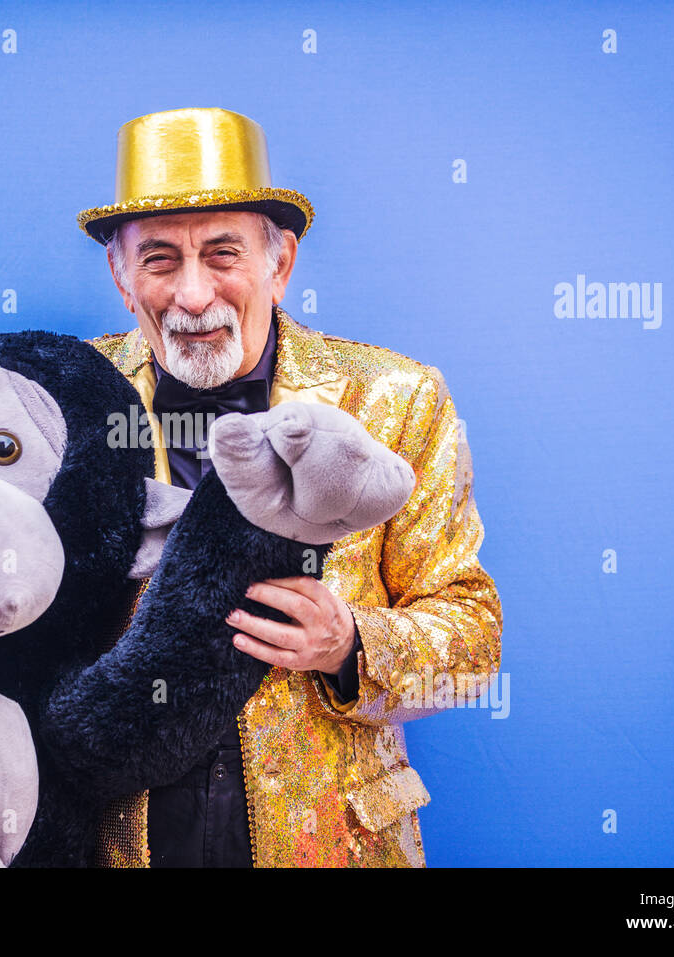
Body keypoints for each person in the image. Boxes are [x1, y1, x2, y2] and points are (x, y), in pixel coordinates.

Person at [80, 107, 503, 867]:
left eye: (222, 253)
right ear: (120, 276)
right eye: (160, 260)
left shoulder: (397, 399)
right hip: (118, 843)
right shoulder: (64, 398)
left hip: (337, 841)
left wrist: (351, 642)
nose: (193, 293)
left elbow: (471, 640)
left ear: (280, 265)